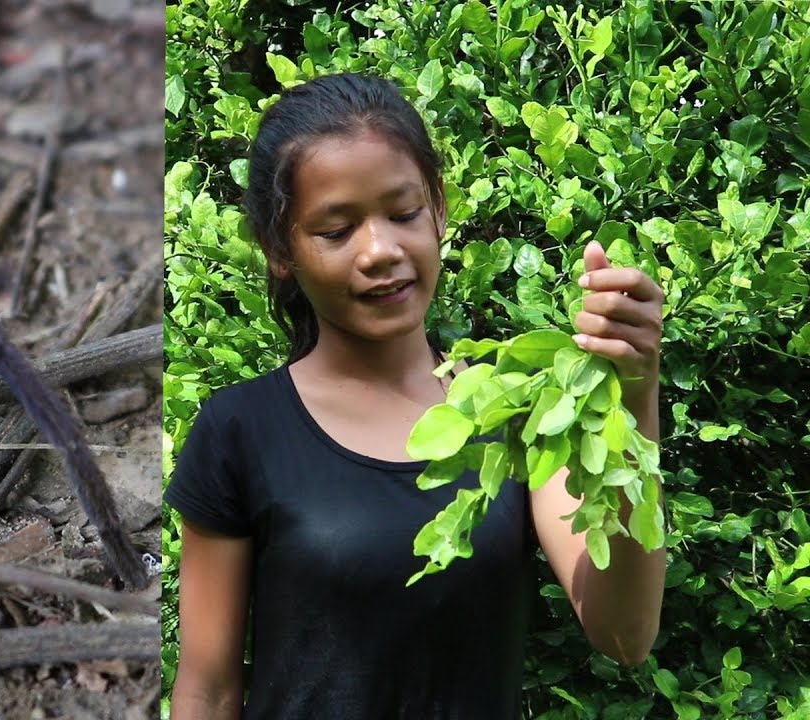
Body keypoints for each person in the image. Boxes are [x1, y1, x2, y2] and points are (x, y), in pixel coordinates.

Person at [165, 73, 667, 719]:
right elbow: (207, 690)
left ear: (438, 207)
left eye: (402, 214)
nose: (381, 250)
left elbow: (624, 636)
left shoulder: (518, 412)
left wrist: (632, 396)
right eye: (336, 230)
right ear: (279, 249)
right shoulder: (238, 430)